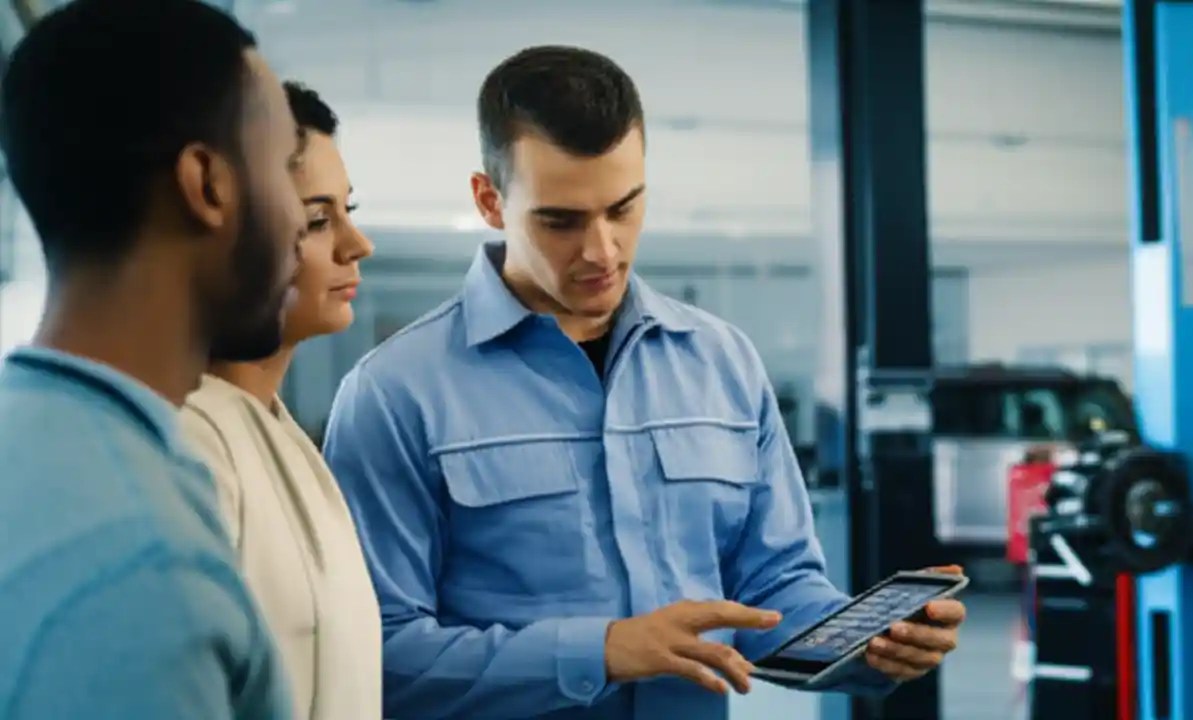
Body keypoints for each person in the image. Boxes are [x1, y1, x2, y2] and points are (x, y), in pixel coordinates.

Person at [323, 45, 967, 720]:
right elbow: (375, 656)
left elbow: (776, 584)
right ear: (490, 200)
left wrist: (866, 644)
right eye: (561, 220)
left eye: (623, 207)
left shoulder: (723, 363)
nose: (602, 251)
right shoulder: (394, 394)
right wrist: (598, 651)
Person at [0, 1, 305, 718]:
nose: (300, 216)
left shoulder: (31, 439)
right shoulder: (137, 559)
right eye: (285, 165)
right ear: (207, 184)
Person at [179, 81, 380, 720]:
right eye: (318, 220)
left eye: (348, 210)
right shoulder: (189, 441)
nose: (356, 244)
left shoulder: (278, 431)